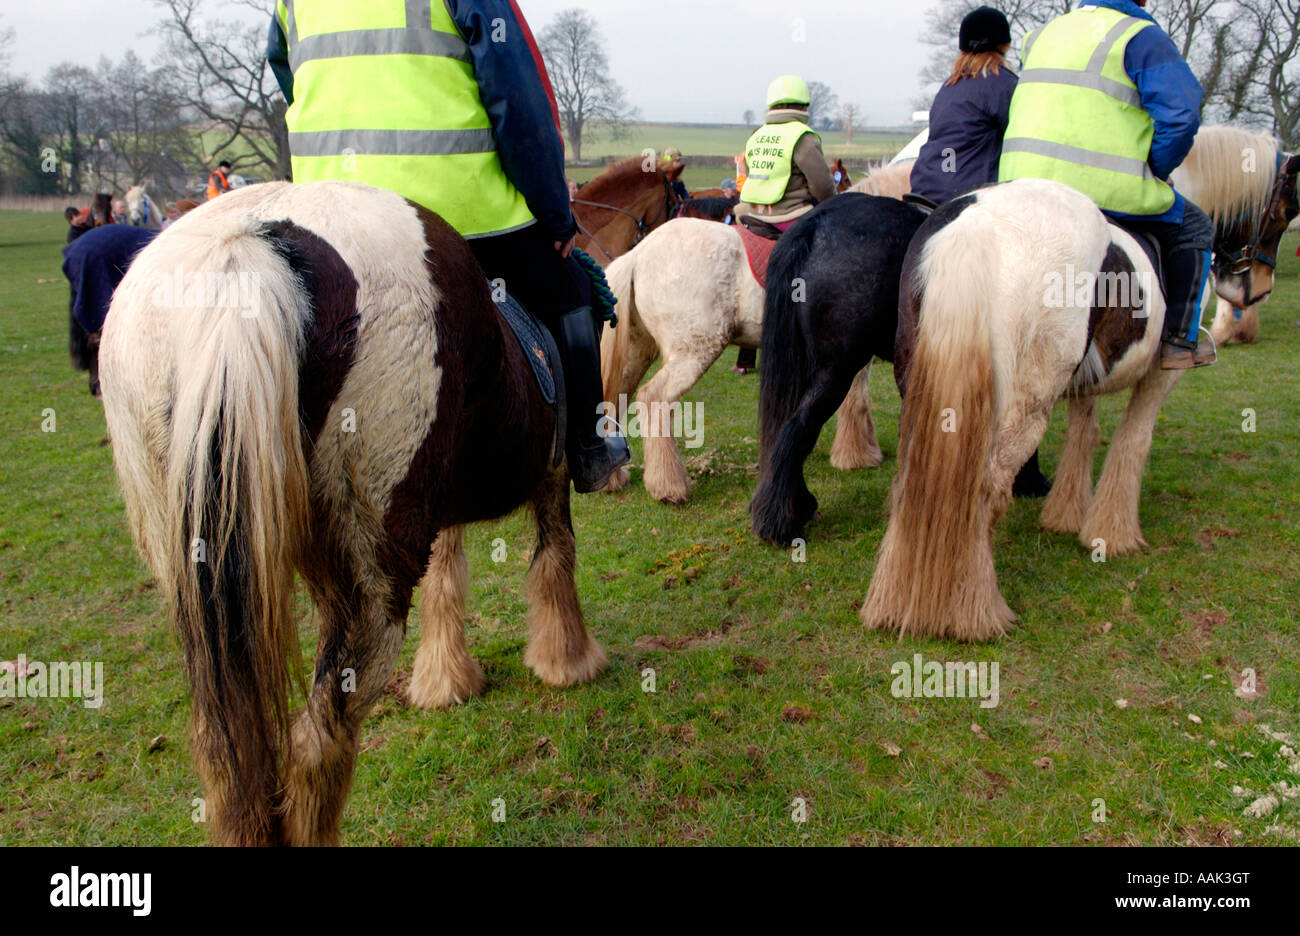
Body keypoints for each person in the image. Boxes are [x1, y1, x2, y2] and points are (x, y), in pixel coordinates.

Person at [267, 0, 629, 492]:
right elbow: (518, 103)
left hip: (330, 217)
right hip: (458, 208)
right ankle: (589, 445)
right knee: (572, 290)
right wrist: (554, 214)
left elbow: (284, 68)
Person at [999, 0, 1215, 369]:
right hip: (1102, 188)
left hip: (1020, 185)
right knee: (1195, 227)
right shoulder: (1141, 37)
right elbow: (1181, 118)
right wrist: (1155, 166)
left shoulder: (1040, 36)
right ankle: (1178, 341)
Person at [910, 7, 1017, 207]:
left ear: (962, 48)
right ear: (1005, 45)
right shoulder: (1004, 85)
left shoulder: (949, 86)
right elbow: (1019, 139)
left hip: (924, 188)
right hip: (966, 194)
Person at [737, 75, 836, 234]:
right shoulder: (803, 137)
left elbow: (751, 173)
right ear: (804, 105)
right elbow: (822, 186)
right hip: (791, 216)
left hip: (754, 214)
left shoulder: (757, 135)